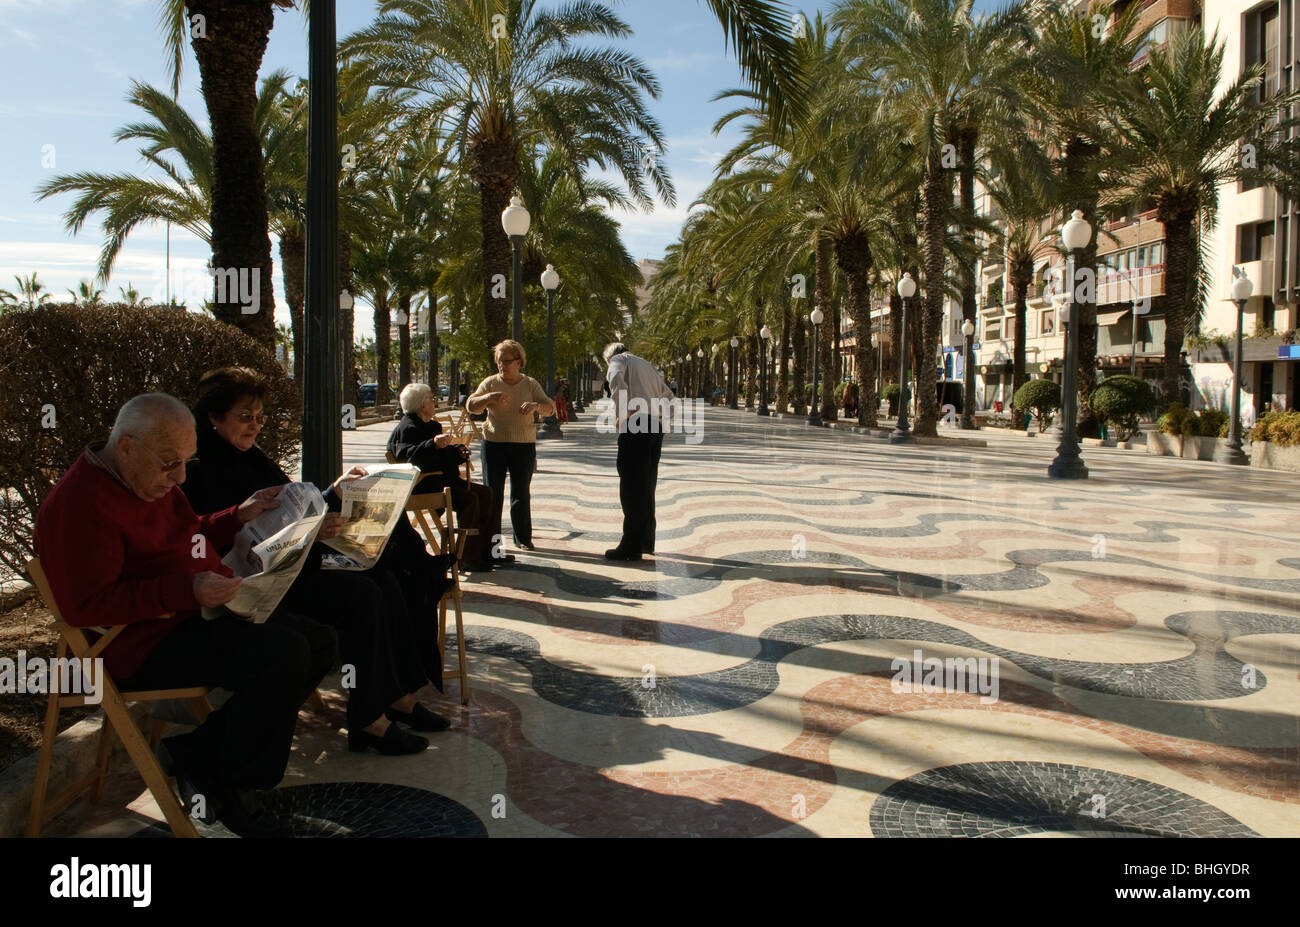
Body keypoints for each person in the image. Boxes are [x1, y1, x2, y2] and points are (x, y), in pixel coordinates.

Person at [34, 393, 334, 836]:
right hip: (132, 645)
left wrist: (239, 516)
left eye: (186, 464)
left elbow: (188, 532)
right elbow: (85, 607)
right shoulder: (79, 505)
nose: (178, 477)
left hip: (185, 614)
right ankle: (235, 785)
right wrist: (185, 589)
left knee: (321, 641)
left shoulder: (143, 477)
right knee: (282, 654)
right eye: (169, 463)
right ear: (127, 449)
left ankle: (198, 752)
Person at [182, 368, 452, 755]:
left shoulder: (252, 458)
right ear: (213, 416)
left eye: (260, 417)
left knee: (384, 579)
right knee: (360, 595)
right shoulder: (198, 471)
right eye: (245, 417)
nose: (255, 426)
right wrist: (303, 527)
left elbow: (289, 507)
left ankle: (396, 698)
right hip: (251, 589)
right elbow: (211, 539)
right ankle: (369, 720)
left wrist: (332, 494)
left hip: (290, 571)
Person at [388, 382, 497, 573]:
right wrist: (432, 444)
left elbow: (442, 456)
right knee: (470, 500)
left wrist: (457, 452)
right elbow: (406, 457)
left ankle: (485, 551)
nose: (434, 402)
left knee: (486, 493)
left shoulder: (432, 425)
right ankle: (467, 557)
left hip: (444, 481)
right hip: (426, 486)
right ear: (422, 405)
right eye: (431, 398)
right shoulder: (408, 427)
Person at [466, 340, 554, 562]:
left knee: (521, 493)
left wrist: (536, 407)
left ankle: (523, 538)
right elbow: (471, 405)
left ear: (518, 362)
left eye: (506, 361)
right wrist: (488, 398)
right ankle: (493, 546)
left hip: (523, 445)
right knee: (492, 496)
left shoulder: (530, 384)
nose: (501, 366)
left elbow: (550, 408)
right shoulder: (490, 383)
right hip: (494, 444)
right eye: (498, 361)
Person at [602, 342, 672, 561]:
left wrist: (624, 412)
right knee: (647, 484)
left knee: (632, 485)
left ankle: (631, 545)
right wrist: (658, 417)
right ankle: (646, 541)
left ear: (609, 358)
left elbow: (615, 380)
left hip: (636, 424)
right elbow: (669, 397)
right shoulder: (647, 365)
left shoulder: (618, 361)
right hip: (655, 427)